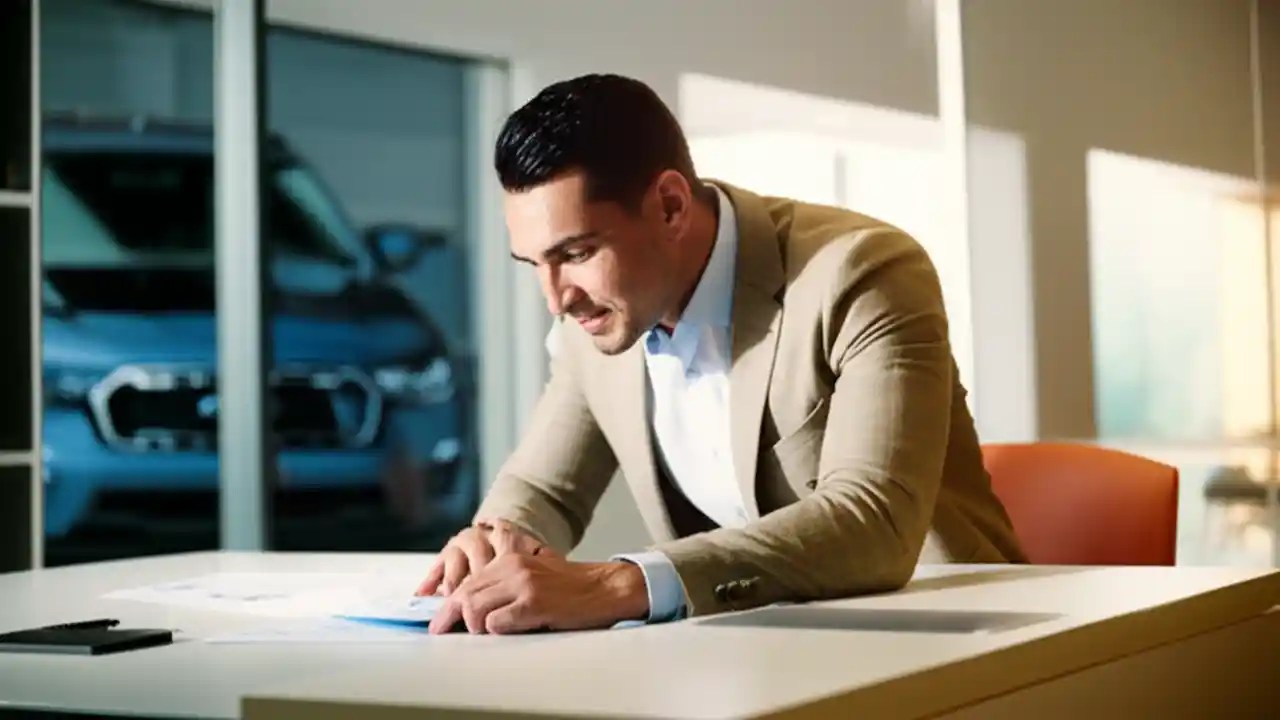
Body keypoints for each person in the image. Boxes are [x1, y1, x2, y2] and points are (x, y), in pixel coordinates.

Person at [416, 73, 1025, 635]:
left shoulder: (863, 271)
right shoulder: (602, 313)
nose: (556, 300)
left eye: (576, 253)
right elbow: (543, 489)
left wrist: (618, 582)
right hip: (750, 651)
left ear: (671, 206)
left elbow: (874, 523)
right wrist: (496, 544)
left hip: (950, 636)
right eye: (534, 264)